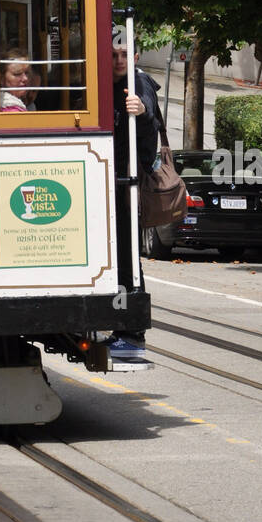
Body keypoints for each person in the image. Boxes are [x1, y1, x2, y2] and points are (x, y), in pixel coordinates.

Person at [107, 38, 160, 369]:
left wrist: (141, 112)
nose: (118, 60)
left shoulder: (137, 82)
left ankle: (132, 332)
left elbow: (149, 115)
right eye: (113, 54)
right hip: (111, 181)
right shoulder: (107, 84)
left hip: (127, 185)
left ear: (136, 56)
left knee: (126, 255)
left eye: (125, 54)